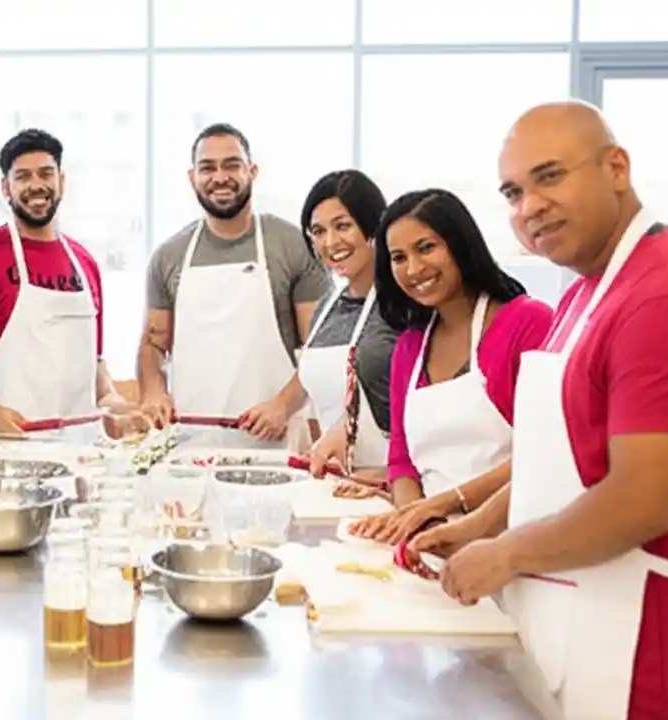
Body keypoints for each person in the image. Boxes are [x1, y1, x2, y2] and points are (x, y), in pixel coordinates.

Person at [419, 101, 668, 720]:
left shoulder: (666, 295)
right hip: (572, 622)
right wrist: (477, 526)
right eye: (514, 193)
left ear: (616, 167)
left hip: (641, 648)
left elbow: (646, 499)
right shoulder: (583, 293)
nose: (529, 208)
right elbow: (559, 462)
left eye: (550, 177)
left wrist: (508, 552)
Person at [348, 188, 553, 545]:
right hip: (436, 541)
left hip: (515, 543)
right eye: (398, 257)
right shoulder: (410, 347)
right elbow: (402, 458)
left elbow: (545, 452)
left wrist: (440, 506)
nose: (413, 269)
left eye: (426, 248)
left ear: (461, 244)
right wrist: (413, 521)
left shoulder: (528, 322)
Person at [136, 123, 332, 447]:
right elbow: (153, 344)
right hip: (189, 446)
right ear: (192, 178)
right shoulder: (168, 257)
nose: (220, 177)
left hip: (276, 446)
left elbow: (322, 351)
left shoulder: (293, 246)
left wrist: (283, 406)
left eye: (232, 165)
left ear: (252, 171)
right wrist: (153, 392)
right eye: (207, 168)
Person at [0, 128, 124, 435]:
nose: (36, 185)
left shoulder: (85, 264)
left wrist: (112, 399)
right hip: (1, 452)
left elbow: (95, 362)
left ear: (61, 181)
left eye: (45, 173)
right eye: (23, 176)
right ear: (5, 187)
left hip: (79, 452)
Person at [288, 170, 401, 479]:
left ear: (373, 226)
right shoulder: (327, 305)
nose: (330, 242)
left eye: (342, 226)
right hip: (338, 478)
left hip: (392, 482)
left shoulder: (401, 304)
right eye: (318, 231)